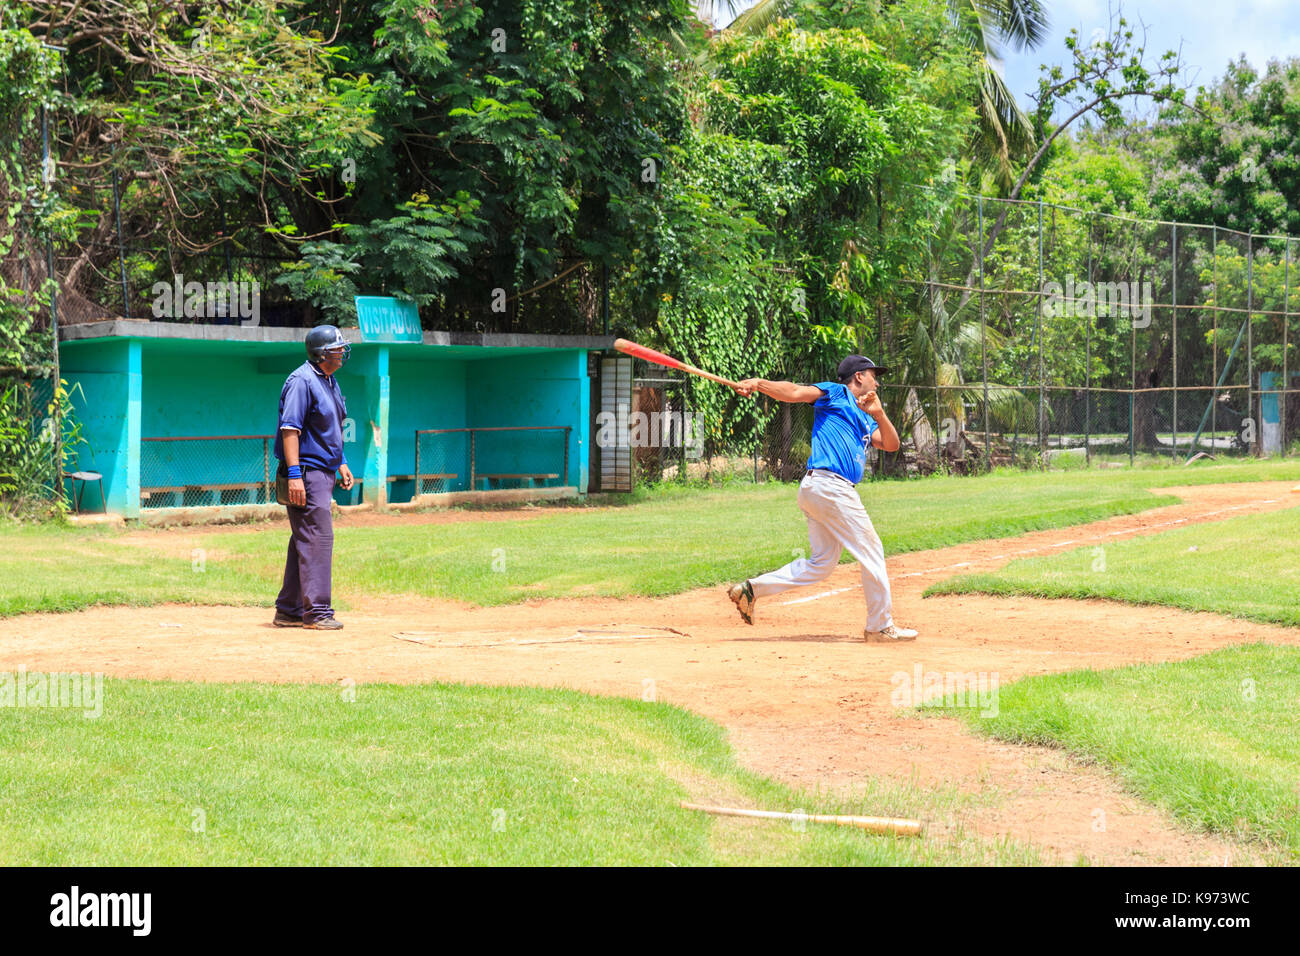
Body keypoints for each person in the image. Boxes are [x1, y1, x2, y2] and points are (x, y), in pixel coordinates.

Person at [728, 356, 918, 642]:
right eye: (872, 375)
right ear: (857, 378)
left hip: (819, 489)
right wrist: (758, 384)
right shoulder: (836, 392)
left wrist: (878, 414)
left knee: (822, 563)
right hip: (831, 487)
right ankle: (880, 627)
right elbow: (794, 392)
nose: (876, 381)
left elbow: (892, 444)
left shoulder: (865, 416)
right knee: (872, 550)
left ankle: (752, 589)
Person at [272, 325, 354, 630]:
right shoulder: (302, 381)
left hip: (324, 470)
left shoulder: (329, 381)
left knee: (304, 539)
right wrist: (294, 475)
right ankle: (317, 612)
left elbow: (328, 429)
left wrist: (341, 462)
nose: (342, 351)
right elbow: (290, 429)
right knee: (318, 539)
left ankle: (289, 610)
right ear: (322, 353)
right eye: (337, 347)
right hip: (306, 473)